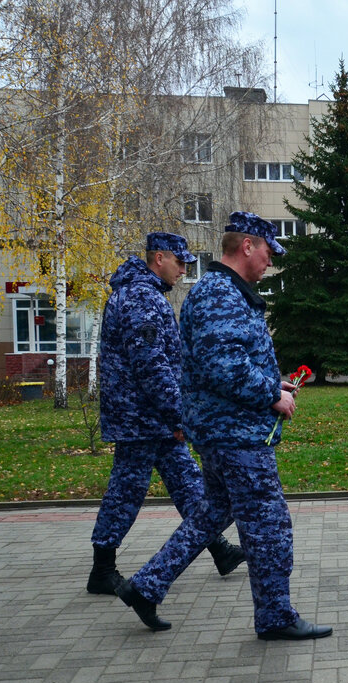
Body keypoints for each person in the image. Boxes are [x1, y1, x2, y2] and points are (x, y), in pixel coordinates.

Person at [115, 212, 331, 641]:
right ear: (247, 245)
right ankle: (275, 617)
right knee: (269, 526)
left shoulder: (224, 291)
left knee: (210, 514)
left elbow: (230, 359)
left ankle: (146, 586)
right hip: (236, 438)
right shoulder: (220, 295)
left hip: (223, 433)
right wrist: (273, 394)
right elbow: (223, 365)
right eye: (269, 251)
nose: (271, 261)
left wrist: (275, 380)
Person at [86, 233, 245, 595]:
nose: (184, 268)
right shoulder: (141, 298)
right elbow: (152, 367)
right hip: (140, 418)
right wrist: (180, 417)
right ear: (159, 258)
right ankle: (102, 570)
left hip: (152, 417)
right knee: (126, 491)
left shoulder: (146, 294)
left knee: (189, 482)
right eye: (180, 261)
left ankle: (219, 549)